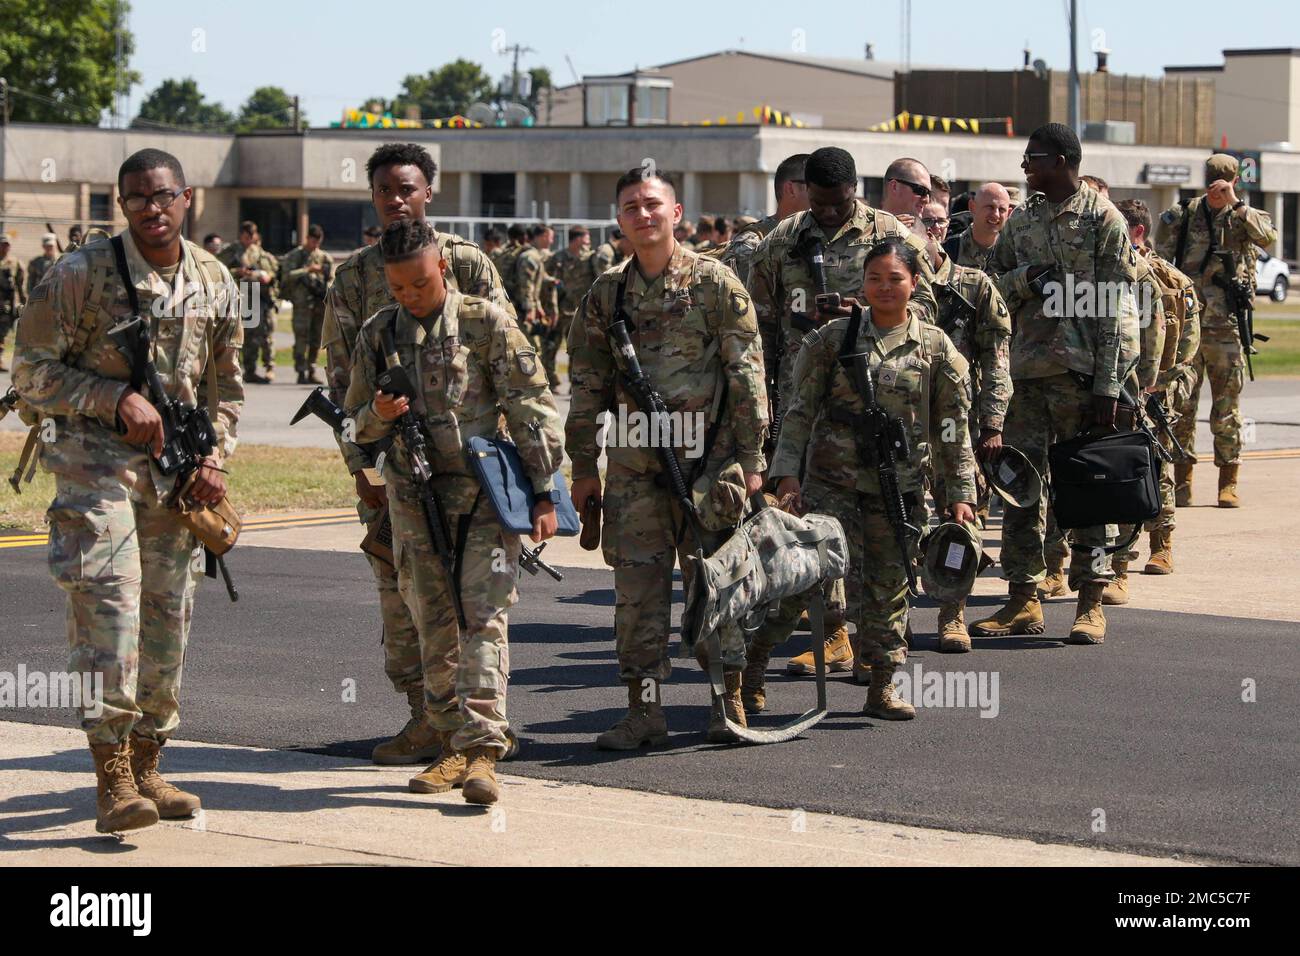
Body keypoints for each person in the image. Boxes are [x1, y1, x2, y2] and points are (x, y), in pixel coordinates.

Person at [11, 147, 243, 832]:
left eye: (164, 195)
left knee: (169, 616)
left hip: (175, 475)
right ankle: (111, 774)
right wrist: (111, 397)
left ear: (187, 197)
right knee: (110, 606)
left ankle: (148, 763)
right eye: (138, 197)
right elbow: (28, 373)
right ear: (122, 204)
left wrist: (216, 459)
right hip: (93, 462)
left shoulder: (214, 279)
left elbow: (227, 389)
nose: (153, 208)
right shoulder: (80, 274)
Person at [345, 219, 562, 804]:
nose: (409, 296)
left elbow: (531, 405)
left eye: (418, 283)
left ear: (441, 265)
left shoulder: (484, 322)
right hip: (413, 497)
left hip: (484, 496)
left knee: (484, 614)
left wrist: (544, 492)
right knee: (431, 621)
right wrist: (379, 416)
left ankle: (485, 752)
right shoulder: (378, 333)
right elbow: (351, 424)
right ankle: (450, 745)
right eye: (397, 288)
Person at [320, 141, 515, 766]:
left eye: (407, 189)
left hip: (470, 470)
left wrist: (508, 469)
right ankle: (426, 718)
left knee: (473, 602)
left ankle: (473, 731)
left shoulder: (468, 263)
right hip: (393, 468)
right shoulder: (351, 279)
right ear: (372, 197)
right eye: (384, 191)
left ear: (429, 191)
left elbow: (504, 362)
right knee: (406, 600)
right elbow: (340, 381)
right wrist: (361, 468)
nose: (396, 200)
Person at [566, 168, 768, 748]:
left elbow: (747, 375)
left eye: (653, 204)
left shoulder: (716, 283)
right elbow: (586, 387)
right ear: (619, 220)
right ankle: (645, 710)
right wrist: (582, 468)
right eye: (630, 206)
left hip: (710, 464)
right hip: (635, 468)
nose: (643, 214)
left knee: (718, 584)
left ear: (676, 213)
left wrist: (752, 458)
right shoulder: (606, 294)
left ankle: (725, 702)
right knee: (638, 594)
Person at [745, 146, 935, 691]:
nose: (828, 213)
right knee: (808, 541)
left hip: (882, 410)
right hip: (807, 411)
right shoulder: (782, 243)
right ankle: (813, 637)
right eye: (819, 202)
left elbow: (929, 309)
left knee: (886, 551)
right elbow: (757, 328)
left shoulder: (888, 237)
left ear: (857, 190)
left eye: (838, 202)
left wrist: (869, 313)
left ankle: (880, 669)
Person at [771, 238, 977, 716]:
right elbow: (799, 411)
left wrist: (960, 491)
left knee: (890, 585)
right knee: (807, 578)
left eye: (895, 279)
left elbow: (951, 425)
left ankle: (881, 684)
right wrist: (786, 474)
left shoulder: (934, 347)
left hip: (898, 486)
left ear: (915, 284)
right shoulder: (831, 340)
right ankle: (755, 667)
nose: (885, 288)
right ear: (861, 284)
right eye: (874, 279)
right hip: (831, 484)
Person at [972, 123, 1141, 646]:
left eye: (1034, 158)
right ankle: (1023, 598)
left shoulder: (1103, 221)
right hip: (1026, 378)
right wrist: (1025, 279)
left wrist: (1109, 386)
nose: (1026, 167)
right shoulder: (1022, 221)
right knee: (1020, 489)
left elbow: (1116, 309)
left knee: (1090, 490)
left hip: (1083, 380)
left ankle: (1091, 601)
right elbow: (990, 289)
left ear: (1064, 160)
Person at [1154, 153, 1277, 508]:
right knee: (1181, 407)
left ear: (1235, 180)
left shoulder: (1243, 217)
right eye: (1214, 180)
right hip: (1188, 328)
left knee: (1227, 408)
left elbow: (1267, 238)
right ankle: (1182, 481)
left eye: (1225, 181)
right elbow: (1159, 260)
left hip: (1226, 330)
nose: (1219, 187)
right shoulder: (1182, 214)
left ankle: (1228, 480)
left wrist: (1236, 204)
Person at [921, 201, 1013, 650]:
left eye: (941, 221)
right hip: (906, 429)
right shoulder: (891, 283)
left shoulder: (975, 287)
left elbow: (997, 363)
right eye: (925, 222)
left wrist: (993, 423)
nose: (933, 229)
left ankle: (952, 613)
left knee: (961, 519)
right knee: (901, 523)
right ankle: (890, 620)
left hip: (961, 426)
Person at [719, 152, 810, 286]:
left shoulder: (821, 235)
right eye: (814, 185)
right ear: (791, 189)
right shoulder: (751, 244)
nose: (824, 193)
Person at [217, 220, 278, 384]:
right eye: (246, 236)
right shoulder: (231, 251)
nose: (249, 240)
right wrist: (238, 271)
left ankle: (254, 369)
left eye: (252, 236)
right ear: (241, 235)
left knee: (256, 335)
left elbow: (273, 269)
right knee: (235, 335)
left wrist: (266, 276)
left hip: (258, 298)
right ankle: (238, 369)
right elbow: (217, 270)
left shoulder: (259, 252)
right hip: (237, 297)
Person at [279, 223, 334, 384]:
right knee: (301, 337)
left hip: (319, 303)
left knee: (316, 338)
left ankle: (312, 369)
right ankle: (301, 371)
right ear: (307, 238)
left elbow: (331, 279)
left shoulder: (325, 258)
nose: (315, 244)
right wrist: (307, 270)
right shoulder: (295, 256)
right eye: (313, 240)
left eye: (318, 241)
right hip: (301, 303)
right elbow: (286, 276)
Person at [546, 225, 598, 389]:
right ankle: (550, 381)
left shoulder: (590, 258)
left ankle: (574, 383)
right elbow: (545, 277)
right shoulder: (558, 257)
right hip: (560, 310)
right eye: (586, 239)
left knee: (577, 348)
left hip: (581, 311)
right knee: (551, 347)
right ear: (577, 240)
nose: (588, 243)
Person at [947, 183, 1012, 273]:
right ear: (972, 207)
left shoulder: (1013, 254)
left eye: (1002, 210)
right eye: (990, 207)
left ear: (1008, 214)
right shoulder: (950, 250)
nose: (996, 215)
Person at [880, 157, 933, 228]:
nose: (926, 200)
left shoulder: (928, 236)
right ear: (895, 187)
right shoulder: (865, 232)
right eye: (921, 190)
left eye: (929, 194)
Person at [0, 236, 24, 372]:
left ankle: (0, 359)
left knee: (3, 333)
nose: (4, 247)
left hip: (8, 305)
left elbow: (19, 284)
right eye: (2, 245)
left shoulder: (15, 262)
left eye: (6, 245)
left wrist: (23, 301)